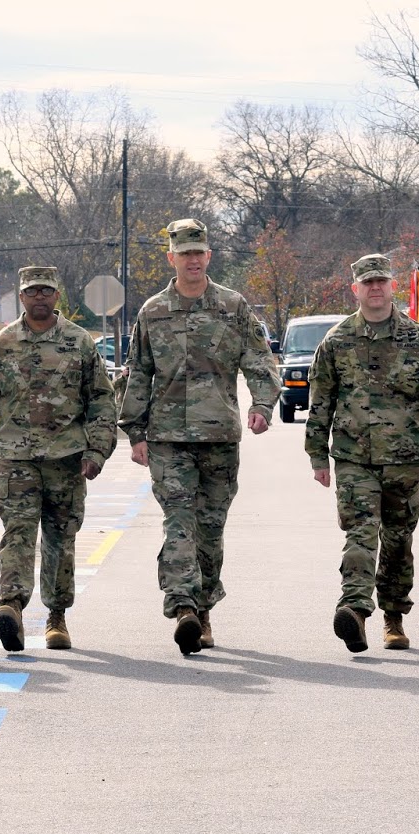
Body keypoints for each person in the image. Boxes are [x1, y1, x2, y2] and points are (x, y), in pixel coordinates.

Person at [119, 219, 279, 655]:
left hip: (220, 438)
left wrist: (262, 406)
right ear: (171, 258)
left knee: (210, 530)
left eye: (199, 252)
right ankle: (183, 606)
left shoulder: (233, 306)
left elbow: (260, 362)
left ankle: (204, 610)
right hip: (168, 440)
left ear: (209, 256)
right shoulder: (152, 311)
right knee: (178, 523)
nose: (192, 259)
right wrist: (134, 431)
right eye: (184, 253)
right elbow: (139, 374)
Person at [305, 253, 419, 653]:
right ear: (355, 289)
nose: (375, 288)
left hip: (405, 460)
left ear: (392, 287)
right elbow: (320, 402)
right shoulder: (336, 341)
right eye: (367, 283)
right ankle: (354, 610)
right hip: (354, 457)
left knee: (397, 540)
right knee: (359, 533)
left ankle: (394, 616)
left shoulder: (417, 339)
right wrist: (318, 457)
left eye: (382, 282)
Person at [0, 266, 115, 652]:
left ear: (57, 295)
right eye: (32, 292)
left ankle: (57, 616)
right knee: (17, 532)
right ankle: (11, 605)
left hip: (66, 458)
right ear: (21, 296)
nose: (39, 298)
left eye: (46, 291)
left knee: (60, 539)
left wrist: (98, 448)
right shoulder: (2, 344)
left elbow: (101, 398)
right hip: (15, 457)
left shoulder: (79, 342)